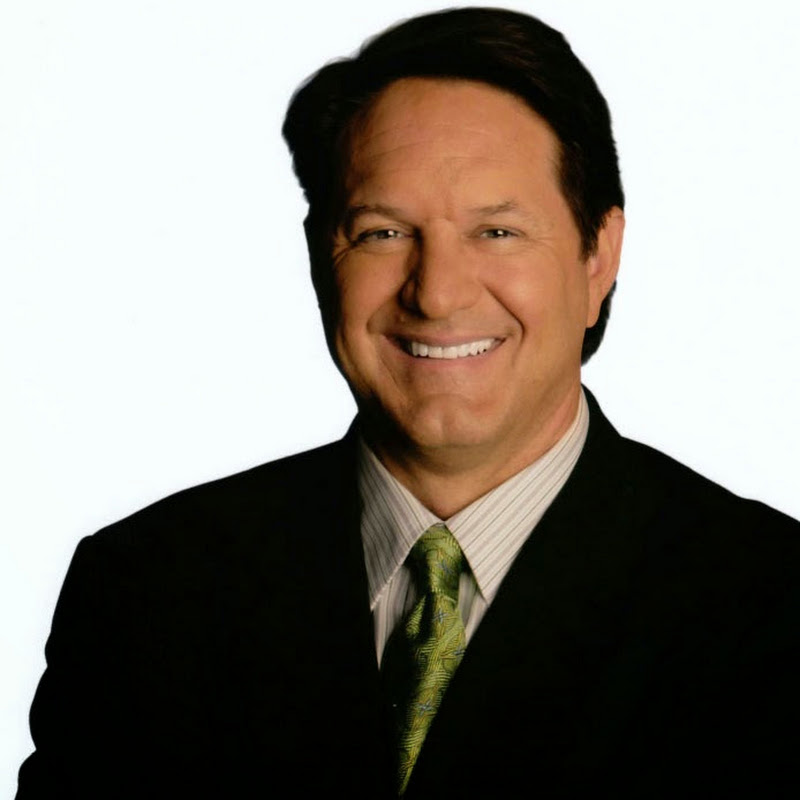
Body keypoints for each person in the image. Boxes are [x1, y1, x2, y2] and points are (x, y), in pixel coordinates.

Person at [17, 7, 800, 798]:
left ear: (599, 256)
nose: (436, 293)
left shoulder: (770, 602)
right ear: (321, 256)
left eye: (497, 232)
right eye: (384, 233)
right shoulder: (147, 590)